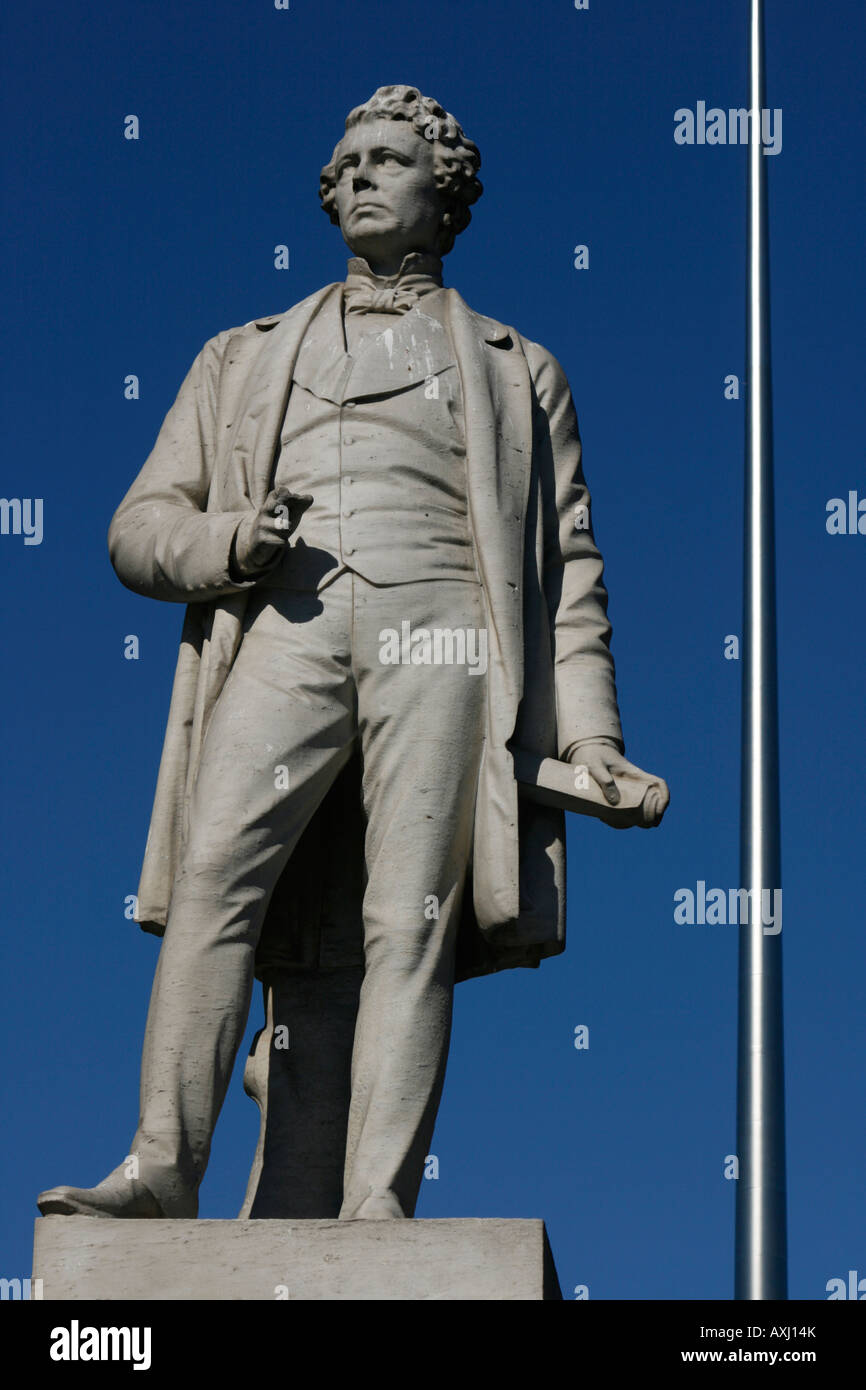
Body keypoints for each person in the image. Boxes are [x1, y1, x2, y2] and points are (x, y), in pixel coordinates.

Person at [38, 84, 657, 1224]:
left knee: (407, 918)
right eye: (346, 164)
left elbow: (569, 572)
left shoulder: (521, 368)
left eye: (388, 159)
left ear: (445, 195)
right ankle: (161, 1169)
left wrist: (591, 740)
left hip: (447, 636)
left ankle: (377, 1202)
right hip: (287, 625)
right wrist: (233, 540)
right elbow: (138, 528)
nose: (359, 176)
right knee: (214, 878)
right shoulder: (240, 355)